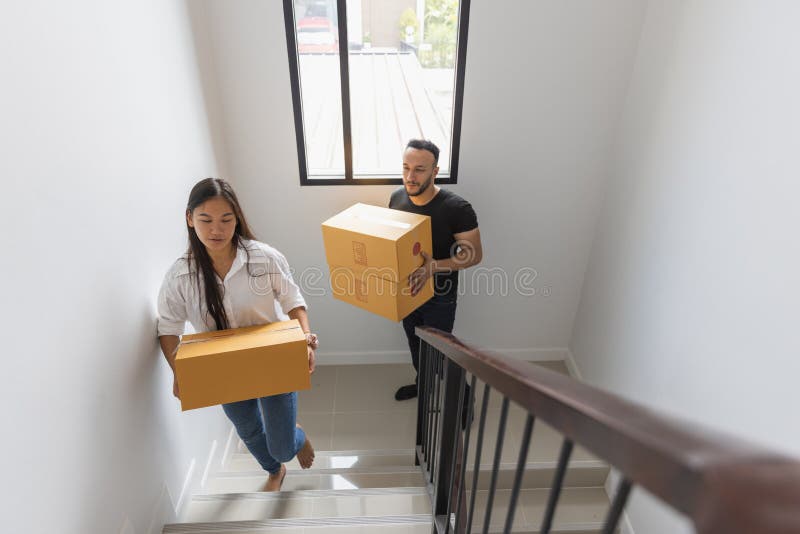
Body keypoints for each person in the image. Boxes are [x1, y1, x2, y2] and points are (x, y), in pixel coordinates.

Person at [157, 178, 317, 491]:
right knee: (249, 431)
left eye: (226, 220)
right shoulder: (180, 275)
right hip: (223, 368)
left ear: (237, 220)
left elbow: (293, 301)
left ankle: (293, 437)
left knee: (283, 446)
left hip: (273, 358)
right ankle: (275, 470)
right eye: (205, 220)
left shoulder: (264, 257)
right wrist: (179, 371)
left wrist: (306, 339)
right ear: (189, 218)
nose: (216, 230)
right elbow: (168, 329)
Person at [390, 139, 483, 402]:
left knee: (442, 356)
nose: (410, 176)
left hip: (440, 297)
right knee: (416, 347)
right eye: (406, 167)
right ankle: (423, 385)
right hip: (409, 292)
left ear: (435, 171)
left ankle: (464, 401)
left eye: (419, 169)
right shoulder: (397, 198)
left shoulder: (457, 208)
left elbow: (474, 254)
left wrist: (434, 267)